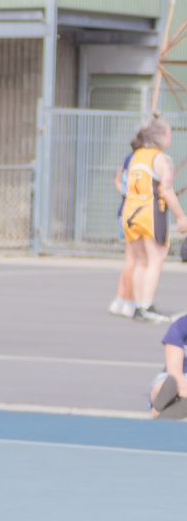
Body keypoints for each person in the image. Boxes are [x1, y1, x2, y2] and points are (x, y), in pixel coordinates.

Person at [121, 119, 187, 323]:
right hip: (150, 212)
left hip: (130, 211)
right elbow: (166, 190)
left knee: (140, 261)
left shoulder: (136, 156)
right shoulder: (161, 159)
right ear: (160, 136)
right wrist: (181, 216)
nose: (171, 137)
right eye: (169, 133)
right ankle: (146, 305)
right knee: (155, 261)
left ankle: (139, 305)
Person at [108, 133, 141, 318]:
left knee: (130, 260)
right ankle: (129, 301)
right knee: (135, 262)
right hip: (134, 214)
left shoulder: (128, 159)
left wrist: (125, 193)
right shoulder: (140, 161)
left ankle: (120, 299)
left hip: (125, 211)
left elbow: (117, 180)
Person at [148, 314, 187, 419]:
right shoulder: (181, 325)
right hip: (176, 375)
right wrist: (180, 383)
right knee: (166, 384)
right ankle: (158, 410)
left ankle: (159, 415)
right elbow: (174, 369)